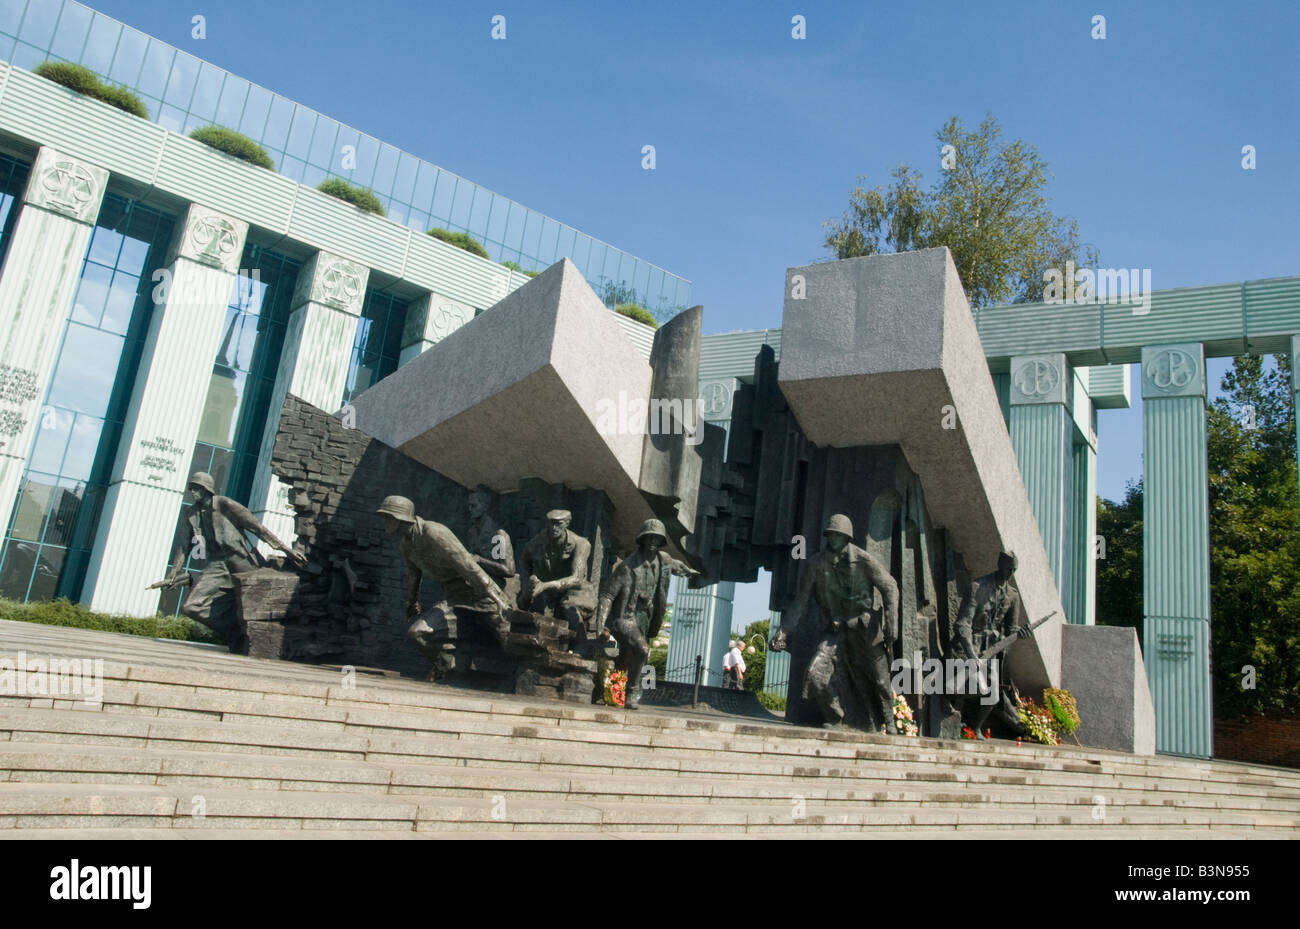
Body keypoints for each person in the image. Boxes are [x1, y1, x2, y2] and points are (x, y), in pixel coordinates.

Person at [771, 514, 900, 732]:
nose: (833, 540)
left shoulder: (862, 559)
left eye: (838, 536)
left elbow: (890, 586)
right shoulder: (816, 564)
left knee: (880, 680)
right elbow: (800, 602)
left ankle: (890, 721)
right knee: (815, 675)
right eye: (830, 535)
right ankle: (837, 717)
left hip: (865, 627)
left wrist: (892, 624)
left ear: (847, 538)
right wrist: (783, 632)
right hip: (836, 629)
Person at [157, 471, 307, 652]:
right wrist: (174, 572)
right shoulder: (190, 513)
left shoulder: (224, 504)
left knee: (252, 601)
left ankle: (247, 634)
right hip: (216, 564)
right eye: (192, 488)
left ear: (206, 490)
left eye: (197, 488)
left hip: (241, 561)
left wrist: (285, 549)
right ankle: (234, 629)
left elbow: (257, 528)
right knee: (190, 607)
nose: (193, 492)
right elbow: (183, 546)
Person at [376, 495, 513, 651]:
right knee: (417, 633)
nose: (469, 510)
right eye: (469, 506)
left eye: (474, 506)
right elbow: (414, 574)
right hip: (454, 596)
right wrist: (412, 601)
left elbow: (475, 566)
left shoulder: (498, 535)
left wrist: (497, 599)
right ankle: (448, 668)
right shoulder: (407, 545)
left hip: (483, 595)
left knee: (509, 638)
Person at [595, 519, 676, 710]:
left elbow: (677, 567)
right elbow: (607, 595)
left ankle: (608, 692)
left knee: (626, 658)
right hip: (624, 619)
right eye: (649, 538)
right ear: (642, 539)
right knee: (642, 649)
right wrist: (601, 625)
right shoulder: (627, 567)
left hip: (644, 620)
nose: (653, 542)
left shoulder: (662, 562)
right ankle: (632, 692)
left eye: (657, 539)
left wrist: (690, 572)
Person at [951, 550, 1031, 738]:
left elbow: (1011, 628)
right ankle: (951, 703)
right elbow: (963, 623)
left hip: (992, 648)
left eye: (1014, 570)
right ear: (999, 565)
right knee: (974, 685)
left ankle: (975, 727)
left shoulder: (1013, 595)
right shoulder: (978, 587)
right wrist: (972, 654)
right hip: (968, 646)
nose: (1010, 574)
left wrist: (1020, 634)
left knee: (993, 693)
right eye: (1008, 569)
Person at [517, 509, 593, 645]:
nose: (553, 528)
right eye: (551, 523)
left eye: (558, 524)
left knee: (569, 606)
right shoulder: (539, 541)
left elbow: (576, 578)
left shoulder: (581, 544)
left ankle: (582, 646)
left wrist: (545, 585)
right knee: (536, 611)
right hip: (547, 590)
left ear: (567, 524)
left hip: (575, 590)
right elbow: (523, 558)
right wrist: (525, 582)